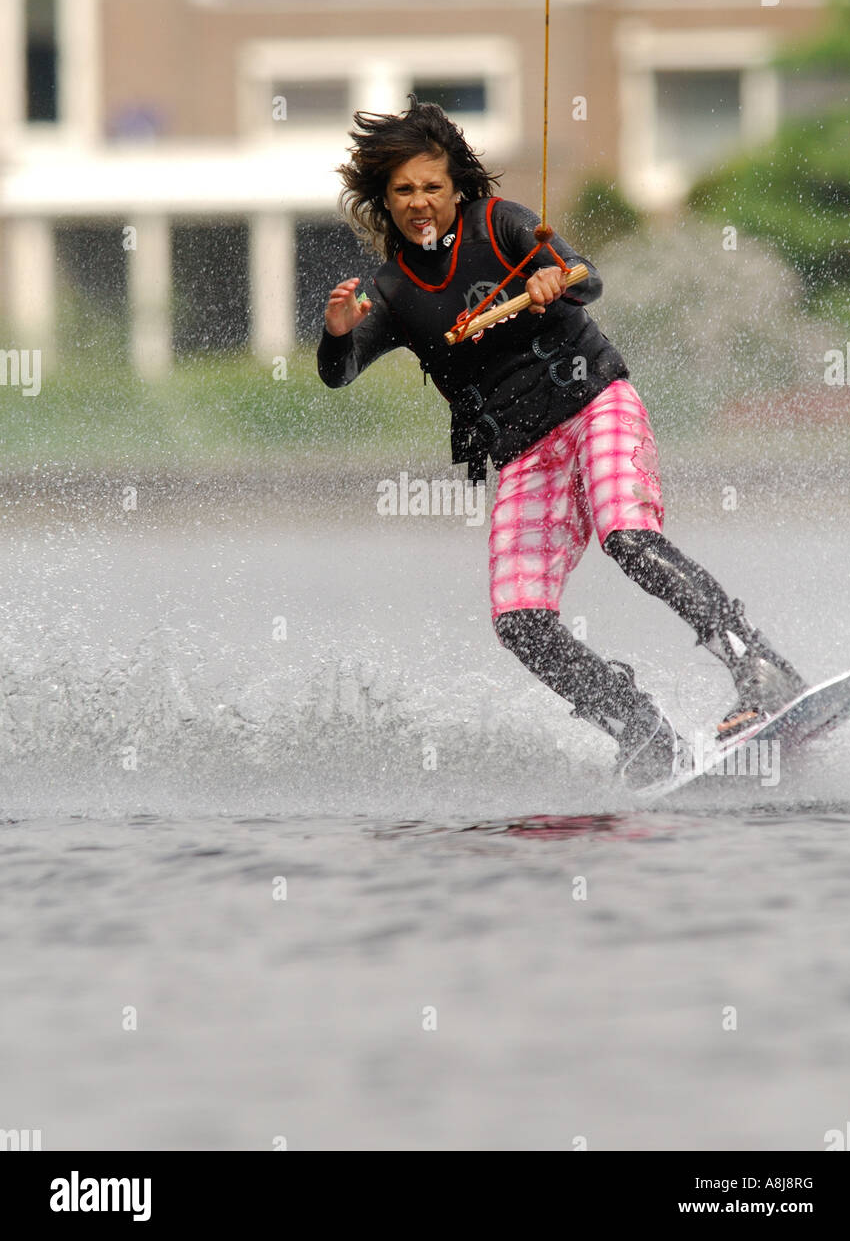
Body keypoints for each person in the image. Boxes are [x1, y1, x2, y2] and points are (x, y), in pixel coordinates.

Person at [317, 95, 805, 784]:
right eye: (403, 191)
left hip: (594, 405)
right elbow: (337, 373)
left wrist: (552, 276)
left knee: (627, 538)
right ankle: (639, 728)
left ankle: (758, 666)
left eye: (432, 186)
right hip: (525, 456)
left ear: (455, 187)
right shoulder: (393, 290)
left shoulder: (501, 224)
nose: (419, 202)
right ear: (384, 199)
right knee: (519, 619)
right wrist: (337, 331)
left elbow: (587, 277)